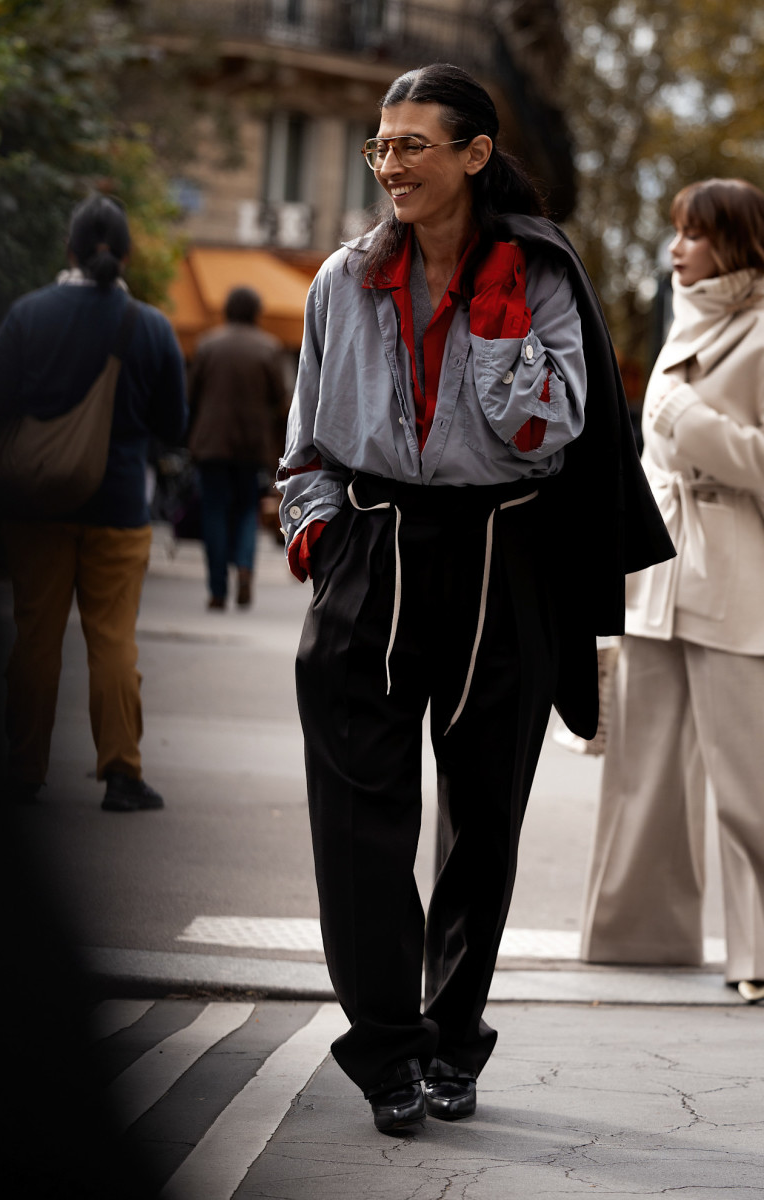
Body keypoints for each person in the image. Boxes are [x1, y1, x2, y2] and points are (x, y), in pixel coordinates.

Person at [277, 62, 674, 1133]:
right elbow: (304, 438)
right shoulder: (336, 280)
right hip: (373, 552)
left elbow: (553, 435)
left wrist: (498, 337)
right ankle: (386, 1047)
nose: (390, 165)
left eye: (412, 145)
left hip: (504, 557)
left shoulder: (539, 276)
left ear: (472, 154)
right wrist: (317, 529)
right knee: (357, 820)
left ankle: (452, 1038)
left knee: (480, 823)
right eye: (380, 146)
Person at [581, 178, 764, 1007]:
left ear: (734, 241)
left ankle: (754, 955)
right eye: (675, 234)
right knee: (641, 769)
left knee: (746, 780)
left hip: (735, 575)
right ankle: (641, 938)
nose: (675, 250)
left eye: (691, 235)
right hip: (659, 572)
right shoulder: (683, 319)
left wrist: (694, 425)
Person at [0, 194, 187, 811]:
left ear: (68, 249)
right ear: (125, 255)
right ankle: (121, 773)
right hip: (119, 505)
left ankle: (24, 768)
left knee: (36, 636)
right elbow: (174, 423)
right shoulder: (149, 326)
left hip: (36, 503)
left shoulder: (27, 315)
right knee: (114, 641)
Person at [188, 286, 286, 609]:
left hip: (212, 444)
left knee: (214, 511)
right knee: (246, 511)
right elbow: (282, 402)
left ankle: (217, 589)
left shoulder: (207, 345)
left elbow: (191, 396)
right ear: (256, 311)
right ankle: (244, 569)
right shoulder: (269, 348)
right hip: (251, 445)